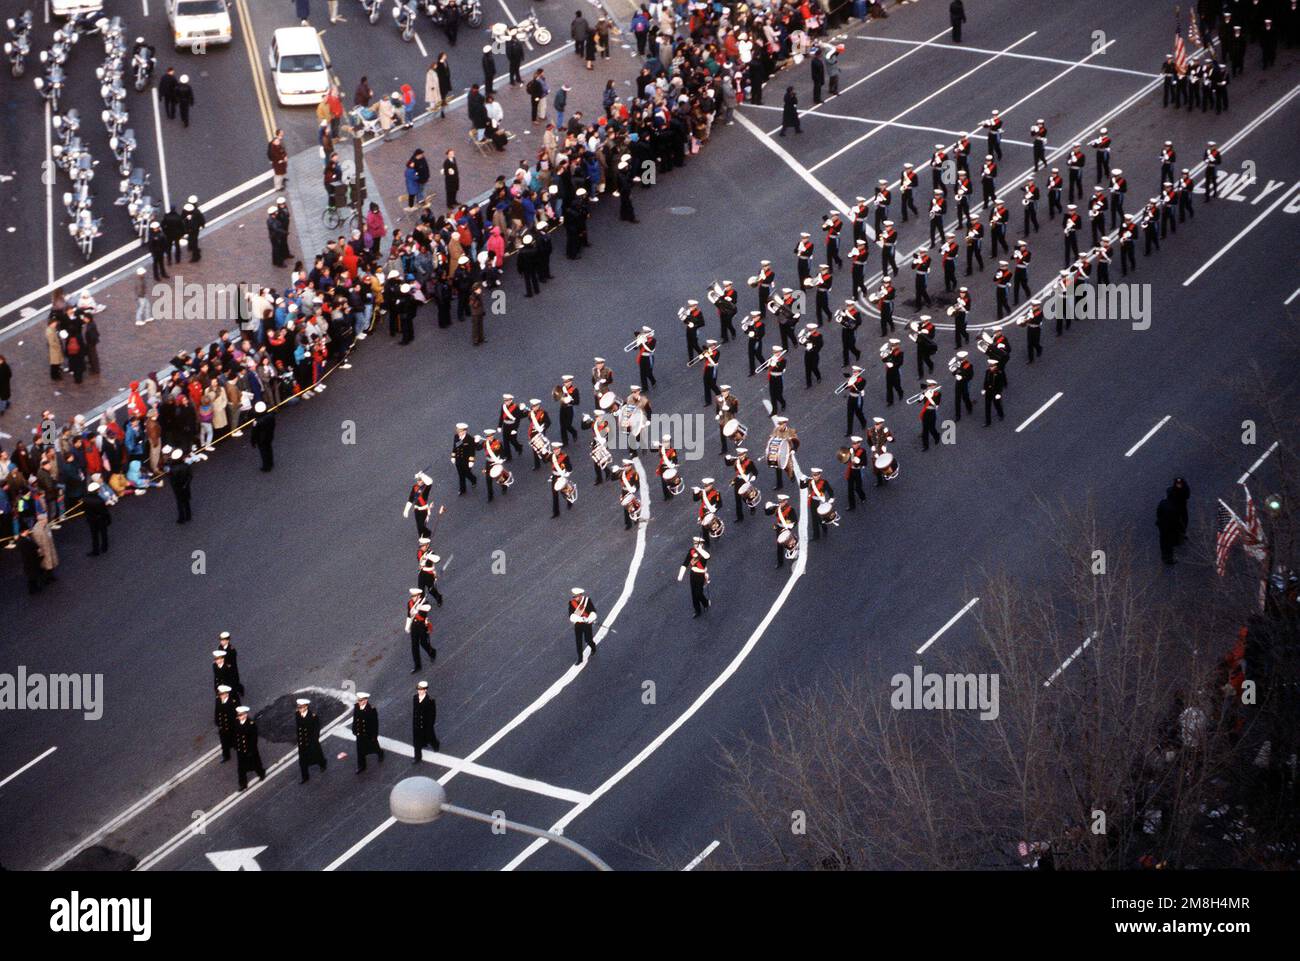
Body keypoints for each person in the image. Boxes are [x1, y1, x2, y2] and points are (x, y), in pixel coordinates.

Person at [233, 706, 266, 790]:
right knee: (241, 768)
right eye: (238, 715)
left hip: (250, 749)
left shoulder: (251, 724)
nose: (239, 717)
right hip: (240, 749)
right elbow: (235, 735)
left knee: (255, 763)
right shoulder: (236, 722)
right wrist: (236, 746)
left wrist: (251, 750)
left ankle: (261, 773)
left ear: (245, 715)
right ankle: (243, 784)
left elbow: (253, 739)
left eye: (241, 715)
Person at [295, 699, 327, 783]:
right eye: (298, 707)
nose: (299, 709)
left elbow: (317, 728)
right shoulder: (297, 714)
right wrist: (298, 738)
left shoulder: (313, 716)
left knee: (317, 754)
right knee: (302, 760)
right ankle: (305, 777)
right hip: (302, 741)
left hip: (311, 740)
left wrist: (314, 739)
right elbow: (298, 728)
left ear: (306, 707)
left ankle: (322, 763)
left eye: (301, 707)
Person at [352, 692, 384, 771]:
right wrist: (354, 729)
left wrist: (374, 735)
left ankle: (380, 753)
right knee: (360, 751)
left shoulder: (371, 709)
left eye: (361, 700)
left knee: (374, 746)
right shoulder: (356, 707)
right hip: (360, 733)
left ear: (365, 700)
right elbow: (355, 719)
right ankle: (361, 766)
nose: (359, 702)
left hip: (368, 733)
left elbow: (374, 724)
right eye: (358, 700)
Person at [412, 680, 440, 761]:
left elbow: (432, 714)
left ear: (425, 690)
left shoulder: (430, 701)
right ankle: (417, 757)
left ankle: (435, 744)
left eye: (421, 689)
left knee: (430, 737)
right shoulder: (415, 698)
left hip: (426, 724)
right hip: (417, 724)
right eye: (418, 689)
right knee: (416, 742)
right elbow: (415, 711)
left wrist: (430, 724)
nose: (419, 691)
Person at [82, 482, 111, 555]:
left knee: (94, 535)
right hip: (101, 520)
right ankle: (104, 547)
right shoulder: (100, 500)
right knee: (103, 534)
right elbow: (104, 512)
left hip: (91, 520)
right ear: (97, 490)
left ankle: (95, 550)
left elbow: (84, 509)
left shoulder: (85, 499)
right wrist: (109, 519)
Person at [166, 446, 193, 522]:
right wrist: (186, 484)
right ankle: (188, 516)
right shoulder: (186, 466)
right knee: (187, 502)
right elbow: (190, 476)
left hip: (177, 488)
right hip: (186, 486)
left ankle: (181, 518)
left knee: (180, 503)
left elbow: (172, 480)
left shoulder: (172, 469)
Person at [1156, 494, 1182, 565]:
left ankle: (1164, 556)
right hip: (1170, 527)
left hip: (1162, 525)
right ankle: (1169, 559)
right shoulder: (1174, 506)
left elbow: (1158, 512)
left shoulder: (1163, 502)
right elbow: (1176, 519)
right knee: (1169, 543)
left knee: (1163, 541)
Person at [251, 400, 276, 471]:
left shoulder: (257, 421)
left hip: (261, 439)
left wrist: (253, 441)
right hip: (270, 435)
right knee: (269, 449)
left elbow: (254, 432)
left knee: (263, 452)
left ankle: (266, 467)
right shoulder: (271, 416)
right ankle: (271, 462)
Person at [1167, 477, 1191, 544]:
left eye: (1180, 484)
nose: (1179, 485)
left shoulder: (1185, 489)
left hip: (1182, 507)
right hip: (1175, 507)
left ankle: (1182, 533)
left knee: (1184, 520)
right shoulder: (1172, 490)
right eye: (1177, 484)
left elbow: (1187, 496)